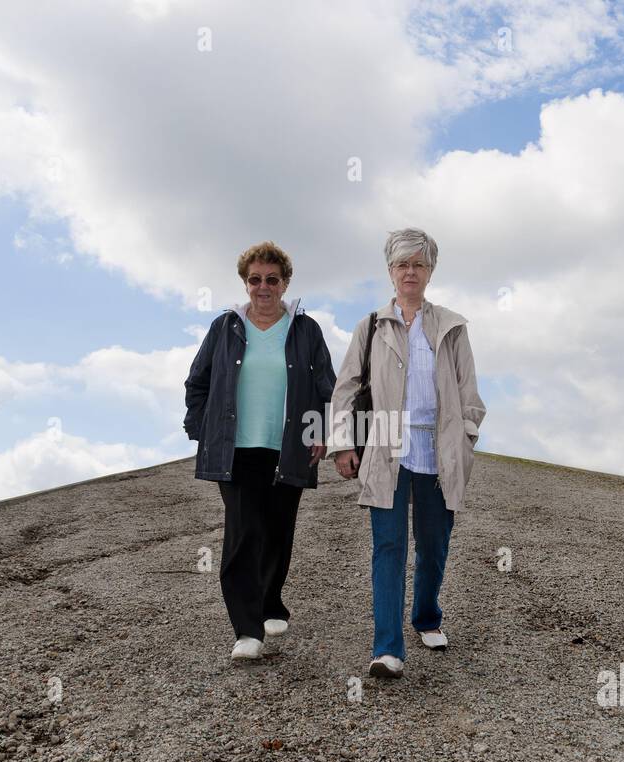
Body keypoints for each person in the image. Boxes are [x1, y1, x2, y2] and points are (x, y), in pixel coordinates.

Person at [328, 228, 486, 678]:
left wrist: (465, 439)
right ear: (390, 271)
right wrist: (342, 443)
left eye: (418, 264)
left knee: (434, 546)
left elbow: (469, 391)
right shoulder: (371, 326)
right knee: (389, 546)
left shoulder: (452, 326)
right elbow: (346, 389)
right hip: (388, 450)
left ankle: (427, 617)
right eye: (402, 264)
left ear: (430, 271)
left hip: (439, 451)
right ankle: (387, 649)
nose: (410, 271)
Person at [184, 241, 336, 661]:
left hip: (289, 447)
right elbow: (197, 382)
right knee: (243, 531)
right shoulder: (225, 327)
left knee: (277, 531)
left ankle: (271, 602)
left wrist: (322, 430)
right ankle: (246, 630)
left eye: (272, 279)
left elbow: (328, 387)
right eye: (255, 279)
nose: (263, 287)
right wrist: (202, 429)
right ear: (245, 283)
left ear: (285, 283)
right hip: (236, 450)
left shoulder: (306, 330)